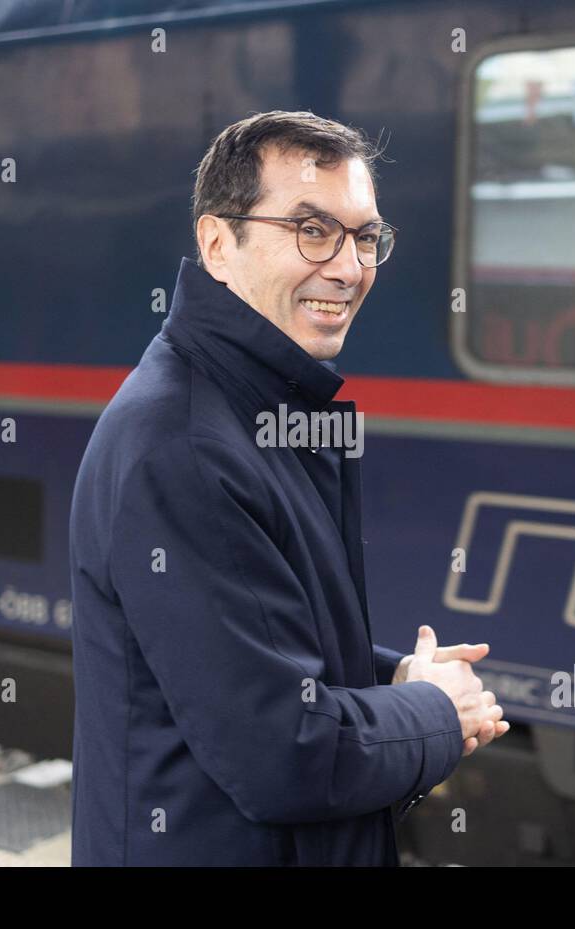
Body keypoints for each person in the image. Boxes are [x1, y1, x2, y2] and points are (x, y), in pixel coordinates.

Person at [68, 110, 508, 866]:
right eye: (311, 229)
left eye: (365, 237)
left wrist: (398, 679)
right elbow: (284, 754)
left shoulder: (261, 410)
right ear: (217, 244)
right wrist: (433, 712)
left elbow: (259, 644)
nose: (347, 266)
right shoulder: (188, 447)